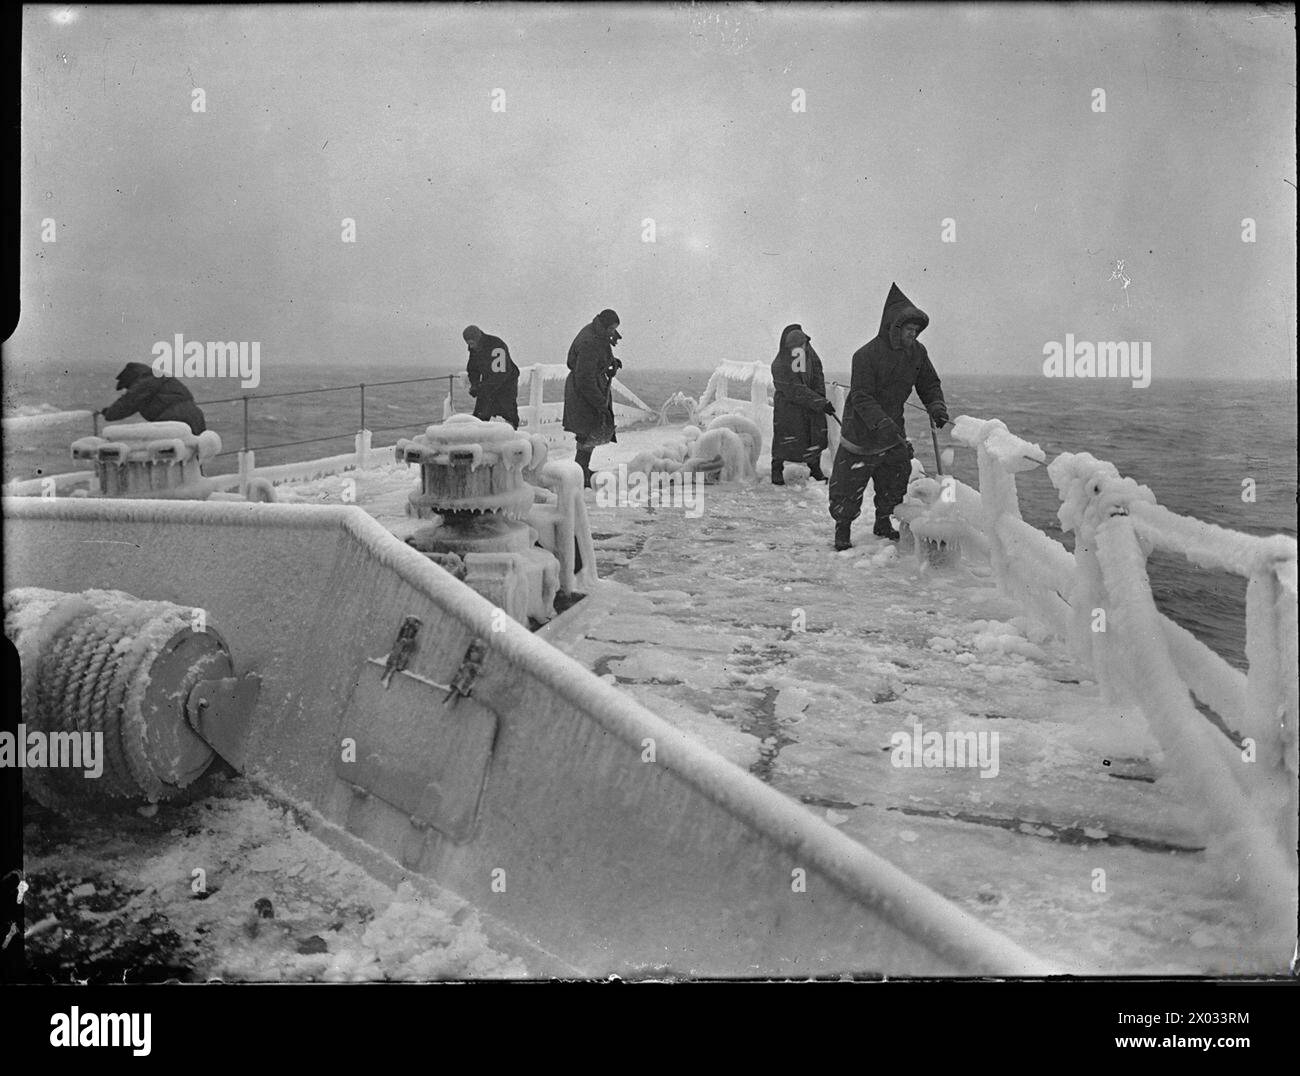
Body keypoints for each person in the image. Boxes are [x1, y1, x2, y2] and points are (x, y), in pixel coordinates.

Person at [829, 283, 949, 550]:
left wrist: (936, 405)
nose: (913, 334)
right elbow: (861, 396)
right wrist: (881, 424)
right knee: (848, 484)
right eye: (909, 330)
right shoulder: (865, 355)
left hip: (892, 428)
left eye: (916, 331)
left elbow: (928, 383)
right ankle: (843, 528)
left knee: (895, 475)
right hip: (861, 430)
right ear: (894, 327)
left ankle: (883, 521)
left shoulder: (918, 352)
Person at [563, 309, 621, 488]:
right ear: (604, 325)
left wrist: (611, 362)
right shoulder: (590, 341)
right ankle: (579, 474)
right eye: (612, 328)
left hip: (588, 387)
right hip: (584, 391)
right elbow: (585, 378)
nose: (613, 332)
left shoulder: (597, 333)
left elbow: (596, 361)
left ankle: (581, 470)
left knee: (589, 431)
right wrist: (599, 403)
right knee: (587, 431)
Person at [770, 323, 834, 484]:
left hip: (811, 406)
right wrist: (819, 402)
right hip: (789, 408)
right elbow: (794, 389)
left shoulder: (812, 357)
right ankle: (776, 469)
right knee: (783, 439)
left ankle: (815, 468)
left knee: (814, 437)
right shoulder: (779, 364)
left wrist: (819, 398)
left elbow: (818, 377)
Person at [97, 362, 207, 434]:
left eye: (127, 386)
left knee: (169, 456)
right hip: (194, 416)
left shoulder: (145, 381)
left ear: (131, 378)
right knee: (191, 456)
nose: (128, 389)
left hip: (175, 417)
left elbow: (129, 402)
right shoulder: (156, 376)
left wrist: (109, 413)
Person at [463, 325, 521, 428]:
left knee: (508, 415)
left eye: (471, 343)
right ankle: (481, 439)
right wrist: (475, 384)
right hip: (488, 382)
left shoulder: (496, 345)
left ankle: (512, 439)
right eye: (468, 344)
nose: (470, 347)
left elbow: (502, 373)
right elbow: (473, 369)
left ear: (478, 339)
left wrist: (483, 388)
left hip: (506, 383)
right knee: (479, 417)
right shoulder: (474, 348)